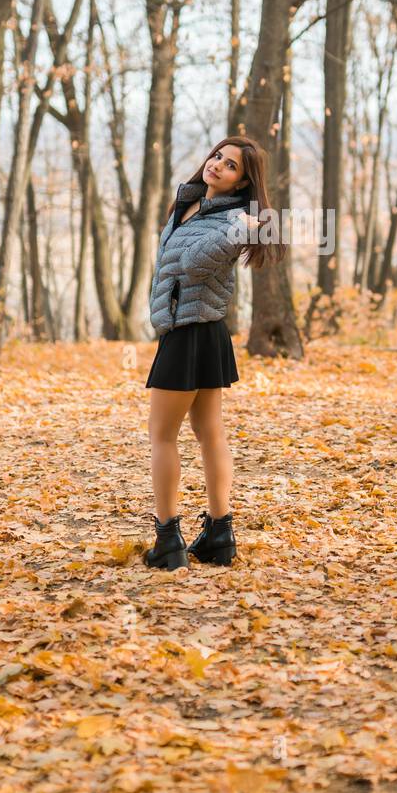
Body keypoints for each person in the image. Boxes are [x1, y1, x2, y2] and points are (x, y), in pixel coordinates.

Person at [143, 136, 286, 570]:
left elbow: (192, 264)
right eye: (217, 156)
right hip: (195, 330)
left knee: (162, 435)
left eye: (230, 166)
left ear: (243, 182)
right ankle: (219, 535)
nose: (217, 165)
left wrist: (244, 227)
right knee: (209, 433)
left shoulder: (230, 220)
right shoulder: (190, 202)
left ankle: (169, 539)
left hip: (191, 333)